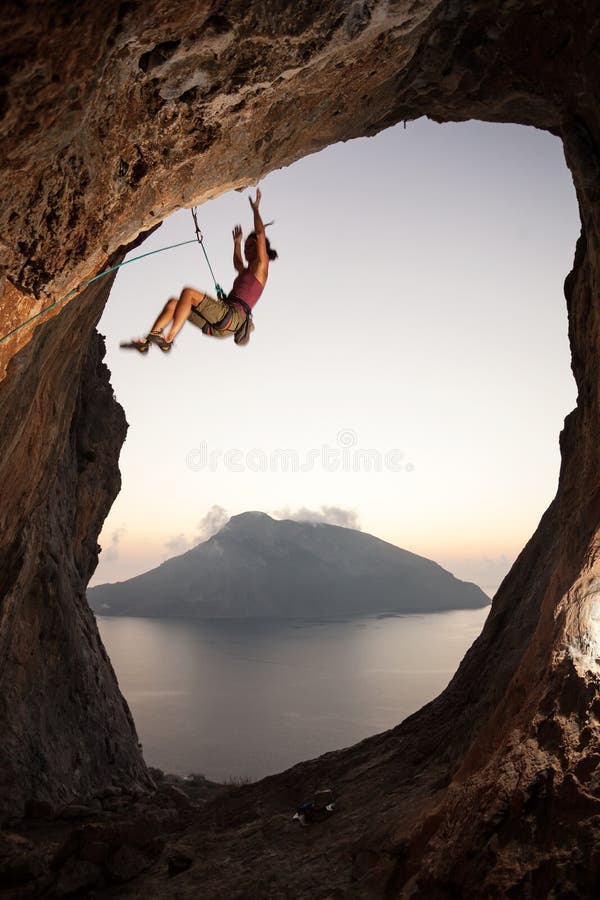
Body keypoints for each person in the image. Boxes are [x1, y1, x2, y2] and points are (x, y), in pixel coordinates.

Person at [123, 188, 277, 353]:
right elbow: (238, 264)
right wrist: (237, 243)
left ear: (259, 249)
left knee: (188, 293)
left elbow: (260, 233)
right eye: (246, 247)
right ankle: (147, 341)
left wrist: (255, 209)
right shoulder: (246, 272)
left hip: (231, 318)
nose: (246, 250)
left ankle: (168, 340)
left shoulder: (261, 266)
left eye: (250, 246)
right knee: (175, 304)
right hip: (221, 324)